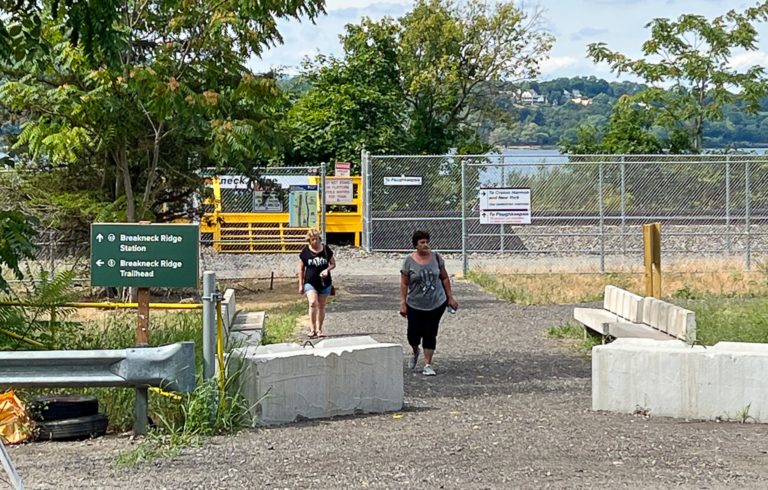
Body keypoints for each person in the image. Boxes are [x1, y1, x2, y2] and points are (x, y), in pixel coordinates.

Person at [399, 230, 459, 376]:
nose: (425, 245)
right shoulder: (409, 261)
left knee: (430, 333)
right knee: (413, 335)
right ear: (416, 245)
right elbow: (404, 283)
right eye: (422, 242)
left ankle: (428, 364)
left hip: (436, 302)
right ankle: (415, 350)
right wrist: (403, 302)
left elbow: (444, 277)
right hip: (415, 303)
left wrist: (450, 297)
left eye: (427, 242)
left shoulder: (436, 258)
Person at [298, 229, 336, 338]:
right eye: (312, 239)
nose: (315, 241)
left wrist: (327, 270)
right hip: (310, 281)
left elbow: (333, 263)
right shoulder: (305, 252)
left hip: (324, 282)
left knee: (321, 305)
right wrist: (301, 285)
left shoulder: (326, 249)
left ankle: (319, 329)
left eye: (317, 239)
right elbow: (301, 269)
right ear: (309, 241)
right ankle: (312, 329)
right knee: (313, 302)